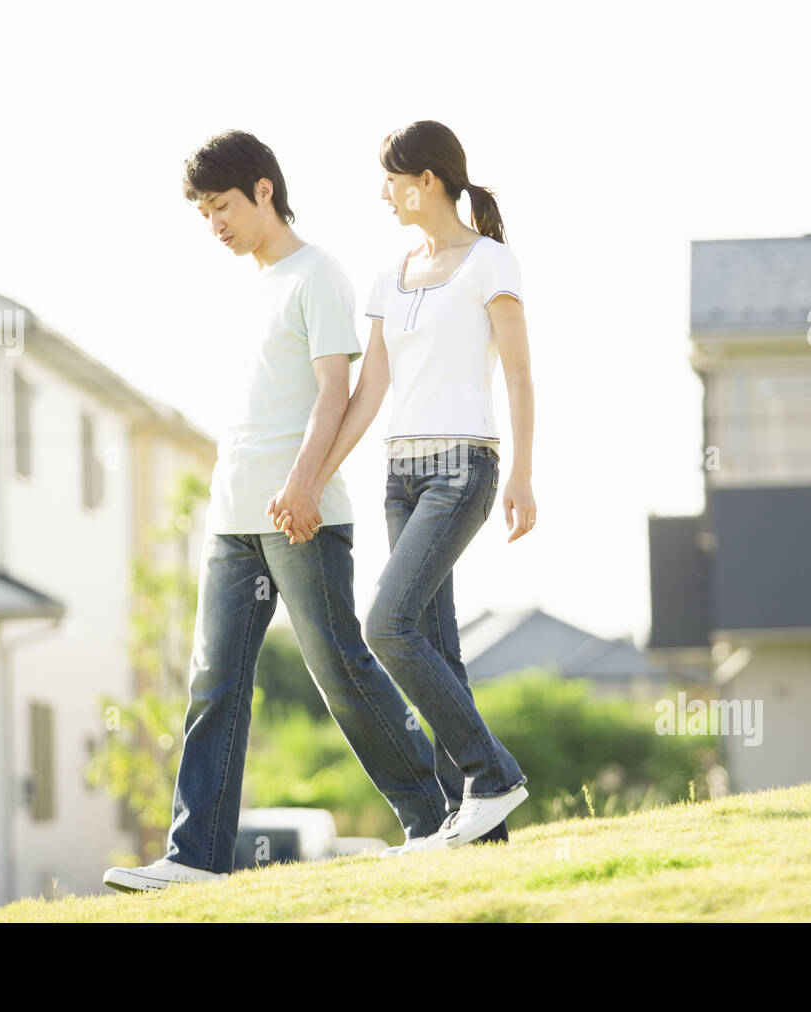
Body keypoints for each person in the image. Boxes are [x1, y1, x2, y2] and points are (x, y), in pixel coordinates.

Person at [103, 130, 448, 892]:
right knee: (213, 681)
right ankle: (196, 858)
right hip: (232, 518)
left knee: (340, 671)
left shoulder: (318, 274)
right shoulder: (253, 285)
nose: (214, 223)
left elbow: (336, 391)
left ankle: (436, 817)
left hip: (303, 513)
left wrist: (303, 483)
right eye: (202, 213)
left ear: (264, 190)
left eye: (221, 205)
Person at [271, 120, 536, 853]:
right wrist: (311, 480)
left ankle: (494, 773)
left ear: (428, 181)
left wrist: (521, 472)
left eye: (393, 179)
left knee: (387, 625)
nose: (384, 194)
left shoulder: (490, 263)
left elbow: (518, 372)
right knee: (438, 648)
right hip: (401, 475)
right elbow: (368, 391)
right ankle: (475, 824)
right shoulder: (391, 276)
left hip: (463, 468)